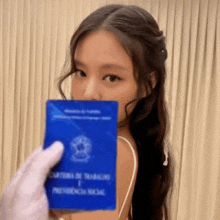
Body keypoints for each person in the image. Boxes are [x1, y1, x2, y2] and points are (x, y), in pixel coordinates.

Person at [0, 4, 173, 220]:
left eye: (111, 77)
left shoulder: (108, 150)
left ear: (147, 84)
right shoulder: (106, 143)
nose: (89, 93)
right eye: (80, 72)